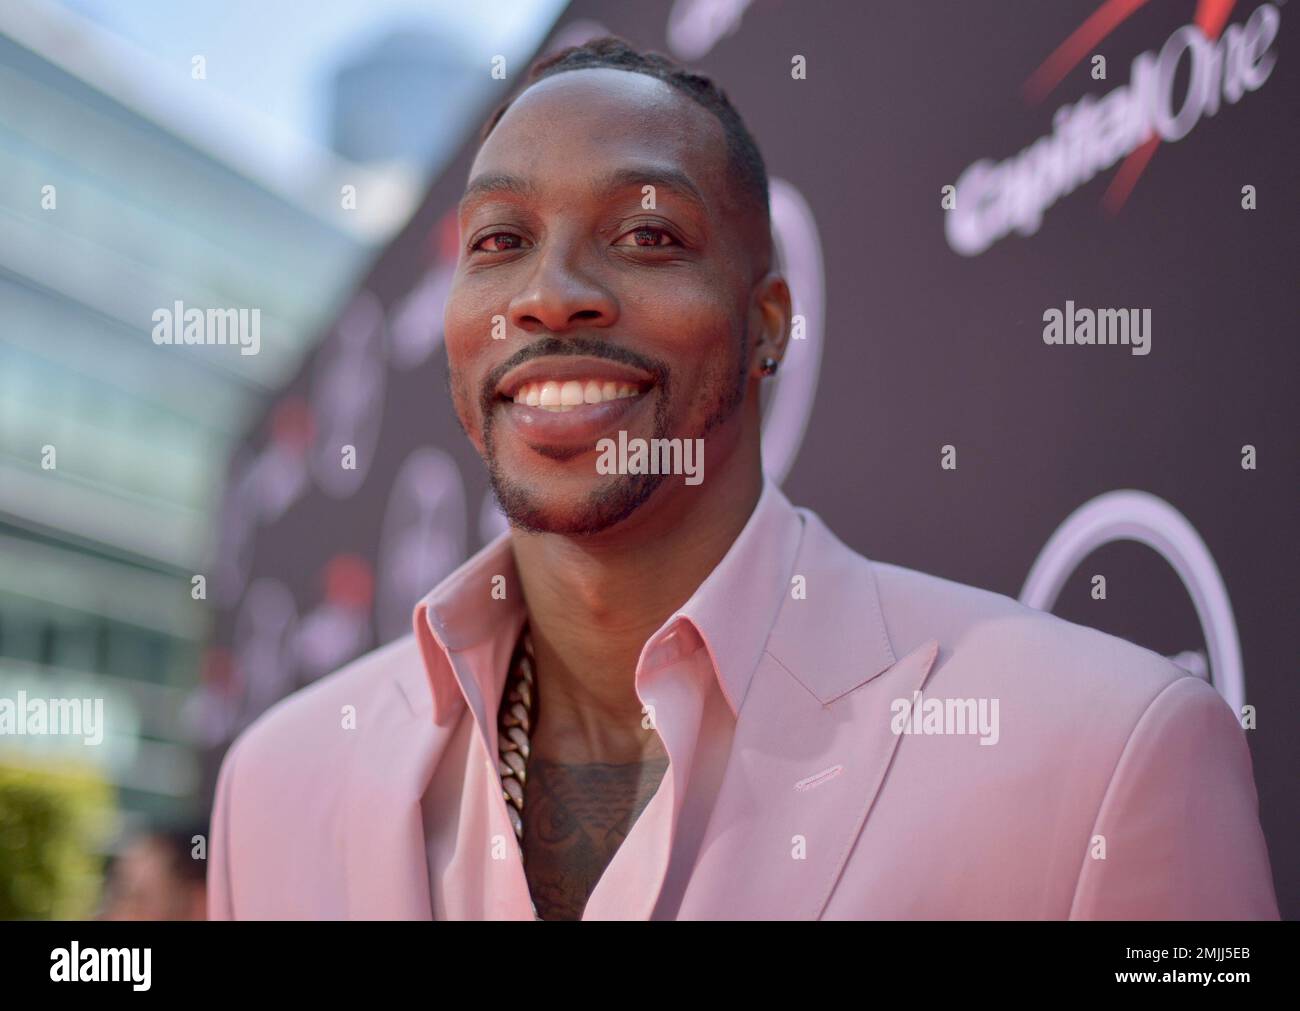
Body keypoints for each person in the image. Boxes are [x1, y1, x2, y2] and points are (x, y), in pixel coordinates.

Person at [208, 37, 1278, 920]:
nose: (550, 294)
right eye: (499, 239)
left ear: (765, 325)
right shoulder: (276, 784)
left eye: (644, 233)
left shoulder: (1108, 751)